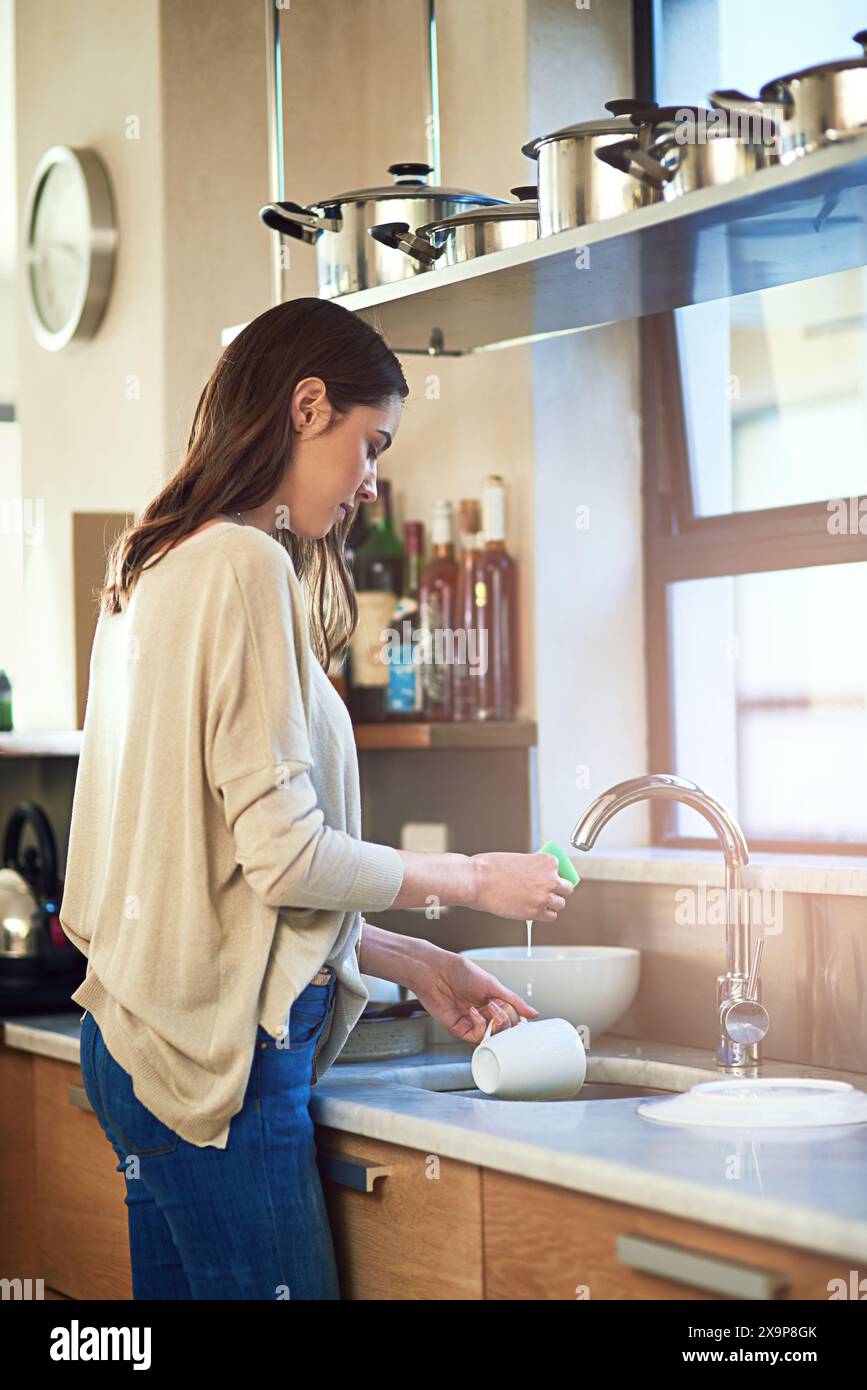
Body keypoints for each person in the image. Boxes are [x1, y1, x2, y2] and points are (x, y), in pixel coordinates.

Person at [60, 296, 575, 1300]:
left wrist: (420, 958)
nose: (371, 479)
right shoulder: (246, 565)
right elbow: (286, 856)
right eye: (369, 441)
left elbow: (219, 877)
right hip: (218, 1067)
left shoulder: (149, 563)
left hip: (133, 1044)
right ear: (307, 407)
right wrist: (470, 876)